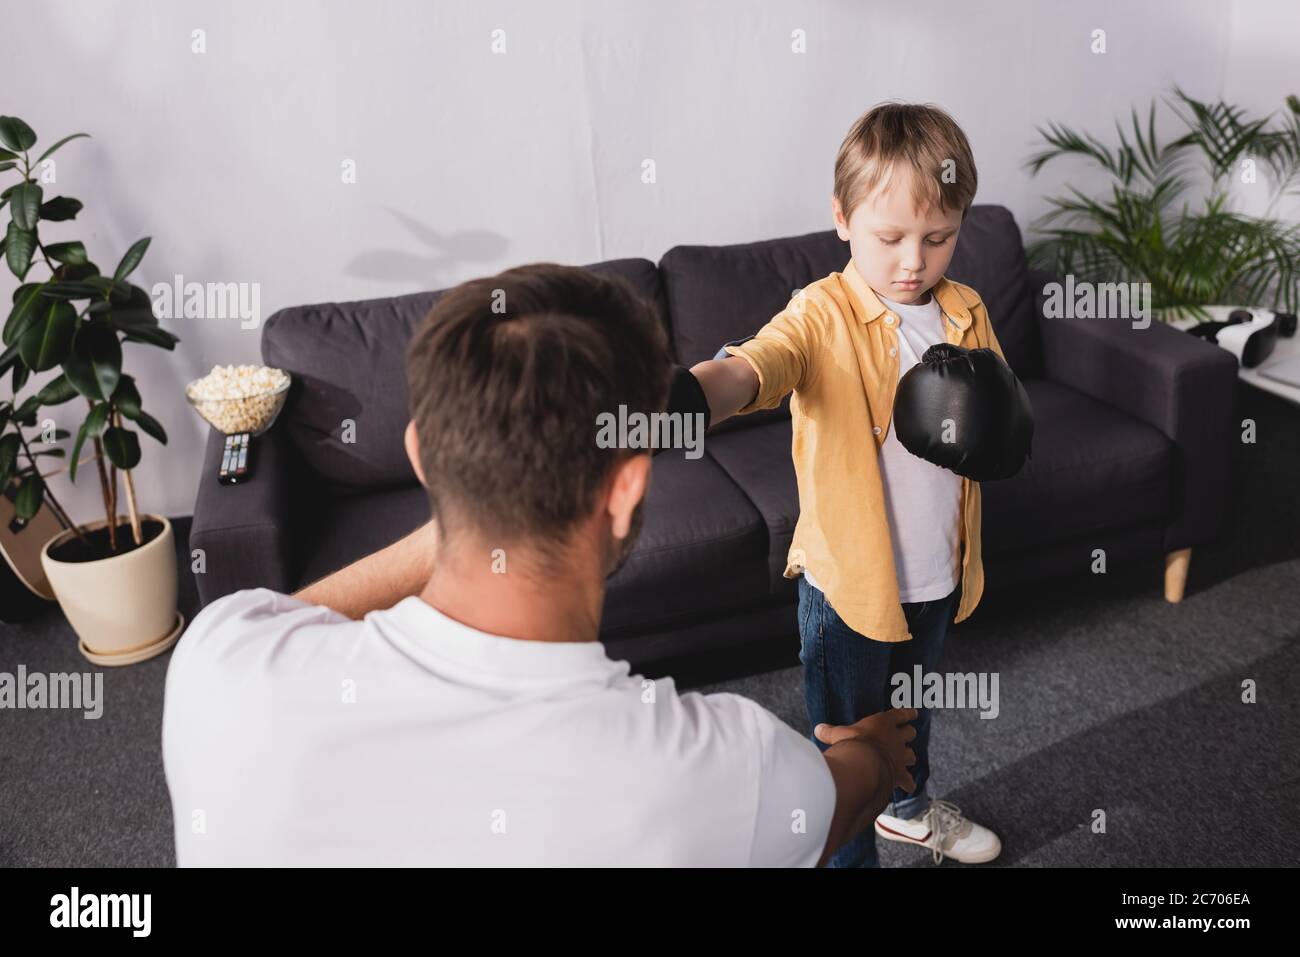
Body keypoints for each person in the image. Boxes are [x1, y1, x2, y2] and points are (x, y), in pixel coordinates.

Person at [161, 262, 917, 867]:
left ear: (420, 452)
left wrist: (472, 502)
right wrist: (878, 752)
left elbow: (292, 612)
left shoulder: (218, 664)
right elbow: (835, 803)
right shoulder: (718, 768)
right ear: (626, 490)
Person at [682, 103, 1006, 867]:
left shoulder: (965, 311)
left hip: (935, 573)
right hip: (847, 590)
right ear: (841, 216)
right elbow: (757, 366)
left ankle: (910, 813)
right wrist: (691, 395)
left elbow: (993, 422)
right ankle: (849, 858)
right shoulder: (821, 314)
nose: (912, 262)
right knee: (848, 746)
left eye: (938, 237)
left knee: (910, 713)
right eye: (888, 237)